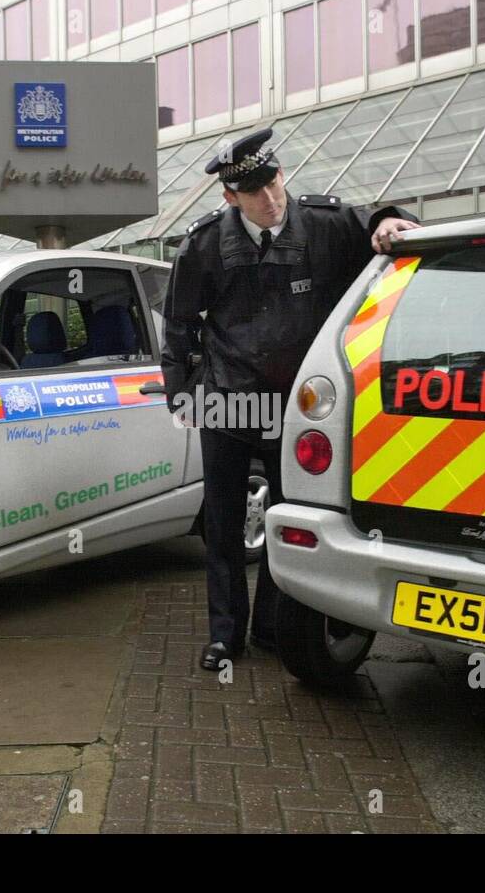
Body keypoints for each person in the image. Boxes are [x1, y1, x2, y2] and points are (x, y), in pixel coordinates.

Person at [160, 127, 419, 671]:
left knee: (291, 519)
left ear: (282, 173)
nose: (271, 198)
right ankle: (225, 635)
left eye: (274, 181)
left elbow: (371, 218)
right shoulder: (204, 244)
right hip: (225, 401)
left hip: (299, 408)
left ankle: (274, 626)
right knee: (225, 524)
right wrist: (181, 395)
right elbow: (180, 326)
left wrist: (386, 220)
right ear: (230, 198)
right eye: (254, 192)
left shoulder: (322, 224)